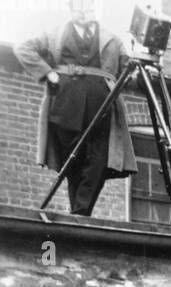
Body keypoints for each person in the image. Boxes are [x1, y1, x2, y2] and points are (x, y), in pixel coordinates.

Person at [14, 3, 137, 217]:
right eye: (79, 6)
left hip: (103, 106)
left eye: (89, 6)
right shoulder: (55, 34)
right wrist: (47, 72)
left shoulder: (113, 39)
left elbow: (129, 73)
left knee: (99, 159)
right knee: (73, 161)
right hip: (65, 104)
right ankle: (79, 215)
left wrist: (140, 72)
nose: (84, 11)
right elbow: (23, 48)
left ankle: (80, 212)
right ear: (71, 9)